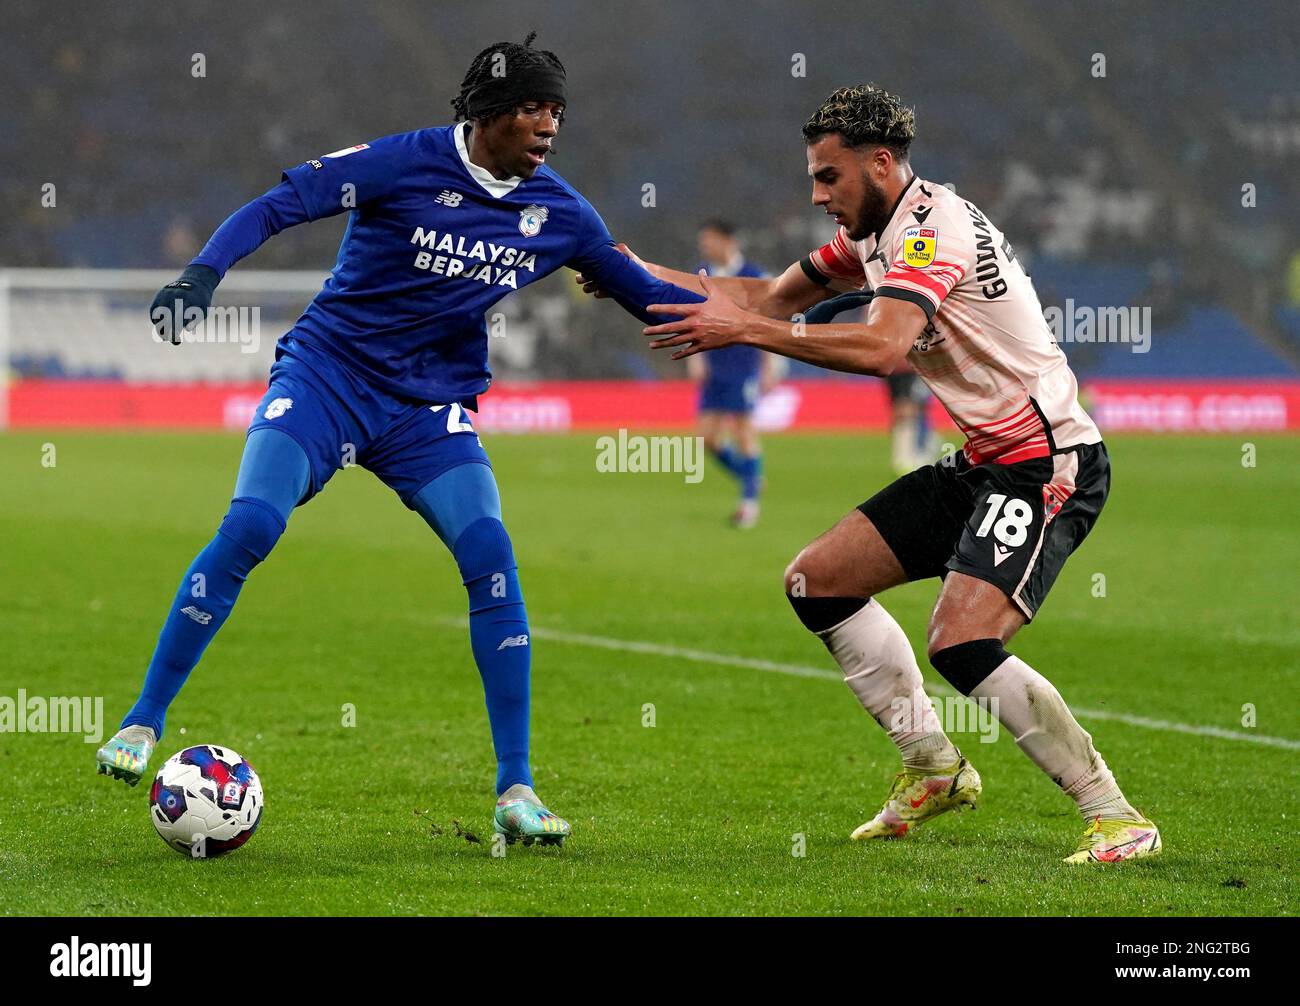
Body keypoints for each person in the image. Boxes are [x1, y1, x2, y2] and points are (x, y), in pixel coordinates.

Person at [95, 33, 704, 848]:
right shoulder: (400, 162)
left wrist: (777, 326)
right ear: (489, 112)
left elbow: (651, 298)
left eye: (557, 111)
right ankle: (143, 720)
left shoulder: (560, 214)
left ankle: (515, 788)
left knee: (489, 550)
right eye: (533, 109)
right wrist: (201, 274)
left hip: (428, 407)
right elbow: (279, 203)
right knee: (251, 526)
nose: (549, 126)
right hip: (328, 378)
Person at [585, 84, 1159, 864]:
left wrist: (749, 331)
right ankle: (934, 768)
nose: (818, 195)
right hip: (984, 463)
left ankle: (1118, 816)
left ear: (880, 164)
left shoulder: (930, 230)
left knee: (960, 641)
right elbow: (759, 294)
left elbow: (884, 346)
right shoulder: (873, 232)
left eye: (829, 177)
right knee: (816, 581)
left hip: (1045, 465)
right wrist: (628, 269)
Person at [689, 220, 779, 527]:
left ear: (728, 241)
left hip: (743, 364)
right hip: (713, 364)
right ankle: (751, 477)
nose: (705, 246)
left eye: (710, 239)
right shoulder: (702, 275)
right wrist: (696, 358)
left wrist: (769, 366)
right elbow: (695, 319)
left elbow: (768, 324)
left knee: (743, 432)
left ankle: (748, 505)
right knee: (707, 439)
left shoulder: (755, 277)